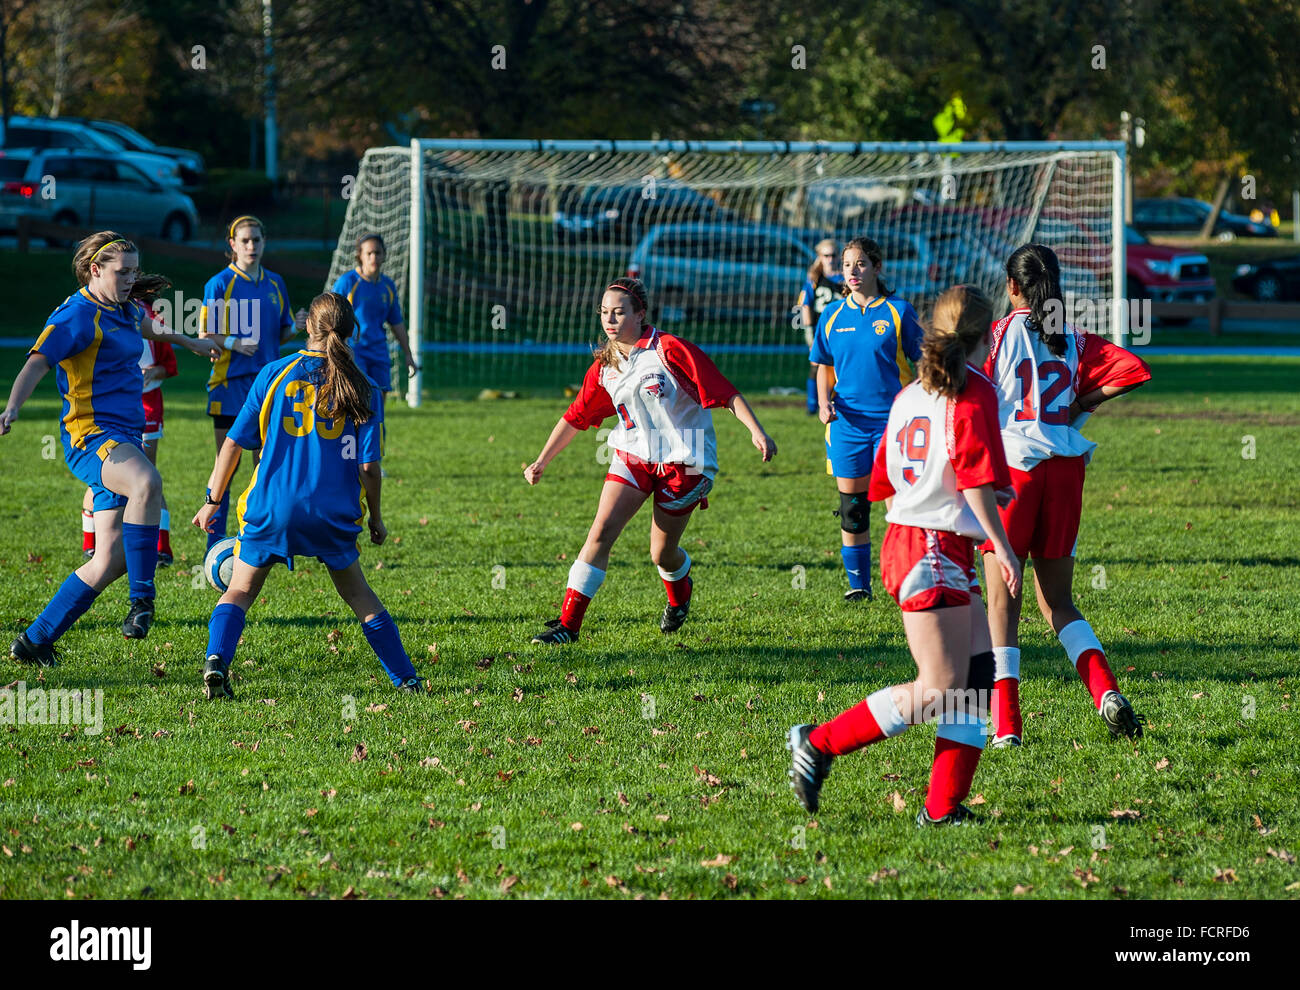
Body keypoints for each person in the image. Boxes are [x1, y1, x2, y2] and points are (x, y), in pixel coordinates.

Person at [788, 284, 1021, 825]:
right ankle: (817, 743)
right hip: (931, 546)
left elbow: (885, 477)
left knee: (978, 676)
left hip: (926, 538)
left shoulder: (912, 391)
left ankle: (942, 810)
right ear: (986, 337)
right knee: (939, 685)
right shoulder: (975, 388)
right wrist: (1002, 545)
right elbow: (973, 477)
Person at [192, 292, 423, 700]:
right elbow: (369, 467)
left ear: (307, 328)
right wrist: (376, 519)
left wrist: (213, 499)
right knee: (358, 595)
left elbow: (233, 444)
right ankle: (406, 678)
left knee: (241, 592)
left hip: (272, 508)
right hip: (332, 513)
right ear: (352, 331)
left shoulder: (273, 374)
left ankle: (215, 661)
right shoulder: (364, 385)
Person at [2, 232, 222, 661]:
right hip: (91, 436)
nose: (130, 279)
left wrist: (189, 342)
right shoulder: (76, 316)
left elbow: (145, 325)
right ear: (94, 270)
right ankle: (142, 601)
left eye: (134, 271)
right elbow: (37, 361)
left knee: (111, 560)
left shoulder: (122, 308)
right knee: (146, 483)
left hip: (124, 437)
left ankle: (34, 641)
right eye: (122, 272)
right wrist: (11, 408)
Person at [523, 277, 776, 644]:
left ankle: (680, 591)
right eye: (605, 313)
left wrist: (757, 431)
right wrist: (541, 460)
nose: (610, 320)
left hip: (685, 462)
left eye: (619, 312)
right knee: (600, 532)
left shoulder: (669, 349)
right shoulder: (605, 366)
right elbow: (576, 415)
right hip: (634, 456)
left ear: (640, 314)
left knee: (661, 553)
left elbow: (724, 392)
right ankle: (568, 626)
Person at [980, 244, 1152, 746]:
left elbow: (974, 381)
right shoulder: (1073, 336)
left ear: (1013, 287)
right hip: (1065, 470)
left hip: (1016, 472)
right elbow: (1134, 369)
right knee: (1058, 601)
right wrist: (1082, 401)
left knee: (1002, 607)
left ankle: (1007, 726)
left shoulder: (1001, 332)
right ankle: (1105, 692)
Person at [810, 237, 924, 602]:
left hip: (895, 425)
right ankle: (859, 585)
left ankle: (905, 578)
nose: (853, 271)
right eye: (847, 265)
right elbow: (823, 366)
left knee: (898, 507)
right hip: (847, 425)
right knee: (853, 508)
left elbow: (922, 366)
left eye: (860, 264)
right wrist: (825, 401)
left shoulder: (898, 311)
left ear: (877, 267)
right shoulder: (831, 316)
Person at [200, 215, 304, 551]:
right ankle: (216, 544)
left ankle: (260, 540)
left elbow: (282, 332)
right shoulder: (219, 284)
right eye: (245, 240)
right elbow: (205, 333)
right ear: (232, 245)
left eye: (257, 240)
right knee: (226, 466)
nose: (251, 246)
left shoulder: (275, 283)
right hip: (230, 385)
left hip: (270, 387)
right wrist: (234, 343)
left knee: (267, 466)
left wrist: (298, 326)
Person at [79, 274, 178, 565]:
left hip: (146, 407)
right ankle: (91, 543)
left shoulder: (149, 317)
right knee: (101, 477)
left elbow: (168, 366)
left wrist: (152, 373)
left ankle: (161, 548)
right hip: (109, 411)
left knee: (148, 475)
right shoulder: (96, 314)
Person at [331, 233, 418, 417]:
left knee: (378, 403)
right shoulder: (347, 283)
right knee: (359, 401)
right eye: (369, 253)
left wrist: (408, 354)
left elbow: (397, 323)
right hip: (354, 351)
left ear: (385, 255)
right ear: (359, 256)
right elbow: (330, 316)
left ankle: (377, 443)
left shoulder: (387, 286)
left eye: (377, 253)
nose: (374, 257)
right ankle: (355, 443)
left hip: (379, 352)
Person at [795, 239, 843, 414]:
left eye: (833, 255)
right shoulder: (814, 279)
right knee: (816, 365)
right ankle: (812, 404)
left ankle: (838, 401)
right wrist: (809, 331)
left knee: (840, 366)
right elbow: (805, 305)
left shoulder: (846, 278)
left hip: (841, 330)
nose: (830, 259)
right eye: (826, 255)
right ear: (820, 257)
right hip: (820, 330)